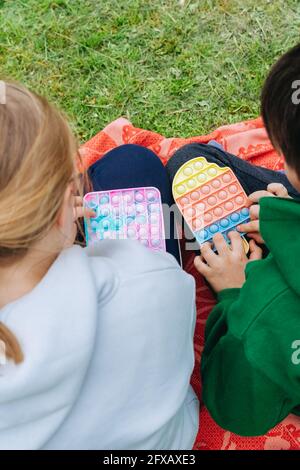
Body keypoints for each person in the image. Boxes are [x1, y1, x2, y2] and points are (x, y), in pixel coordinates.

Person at [0, 81, 199, 450]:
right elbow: (179, 308)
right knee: (130, 164)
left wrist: (54, 232)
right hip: (167, 441)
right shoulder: (141, 274)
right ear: (64, 200)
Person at [167, 43, 300, 436]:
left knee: (188, 161)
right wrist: (288, 217)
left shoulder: (264, 314)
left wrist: (236, 292)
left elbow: (238, 413)